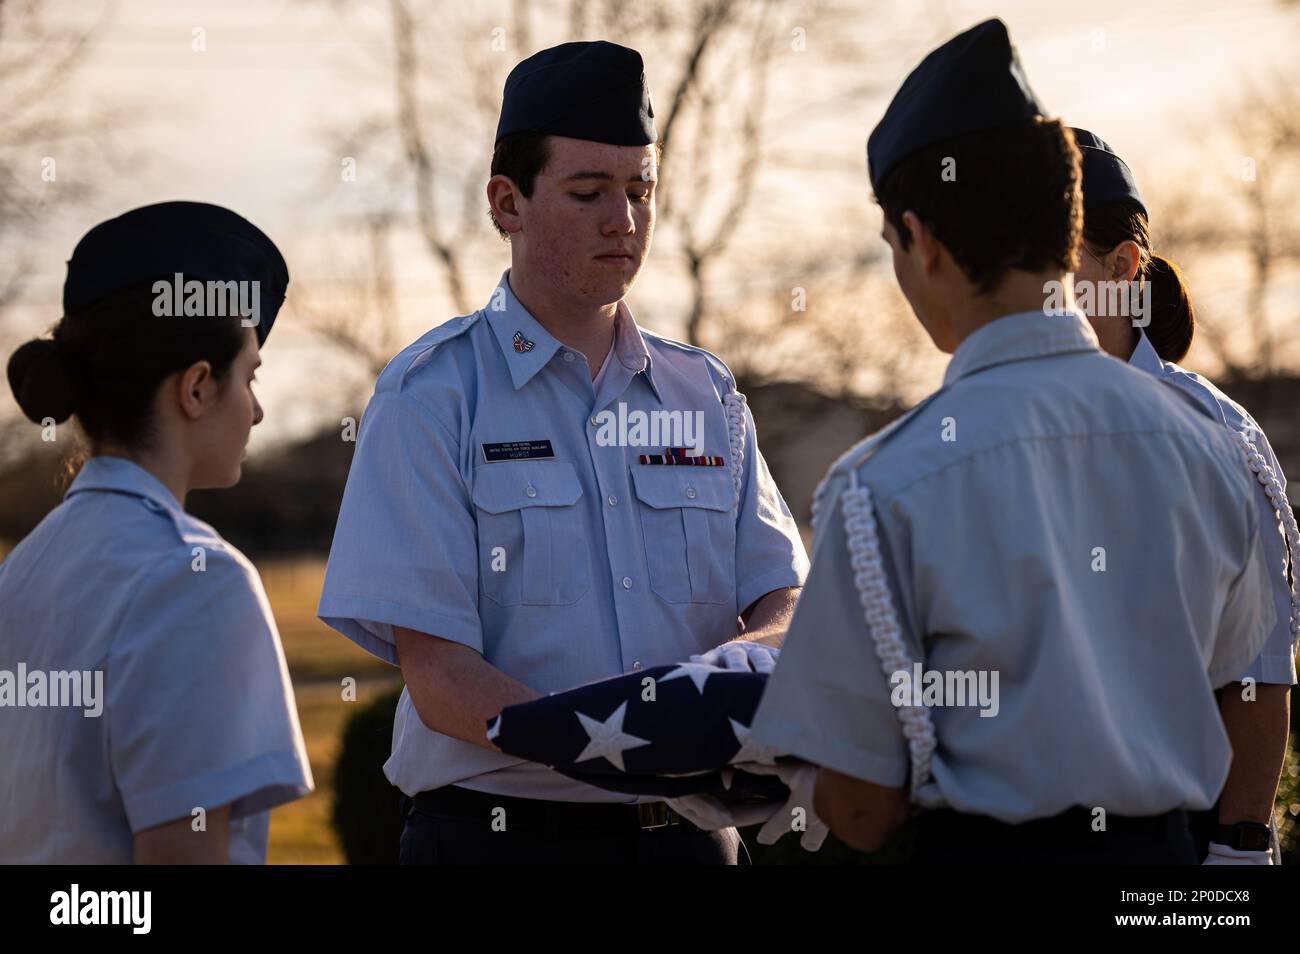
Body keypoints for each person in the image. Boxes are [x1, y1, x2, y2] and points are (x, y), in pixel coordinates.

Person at [749, 19, 1275, 864]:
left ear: (919, 241)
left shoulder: (883, 485)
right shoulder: (1211, 446)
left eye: (893, 245)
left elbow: (864, 808)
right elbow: (1241, 685)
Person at [317, 40, 808, 865]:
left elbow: (785, 602)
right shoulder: (432, 396)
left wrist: (730, 683)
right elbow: (438, 677)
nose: (624, 220)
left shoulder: (705, 394)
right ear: (507, 203)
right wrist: (621, 744)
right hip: (500, 839)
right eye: (588, 192)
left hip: (693, 842)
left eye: (640, 190)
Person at [0, 202, 313, 864]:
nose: (257, 410)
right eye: (250, 375)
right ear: (197, 387)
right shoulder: (196, 582)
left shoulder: (20, 572)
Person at [1070, 128, 1297, 864]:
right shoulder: (980, 430)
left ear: (1122, 267)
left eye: (1052, 268)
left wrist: (1239, 849)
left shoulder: (1214, 436)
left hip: (1166, 845)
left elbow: (1259, 673)